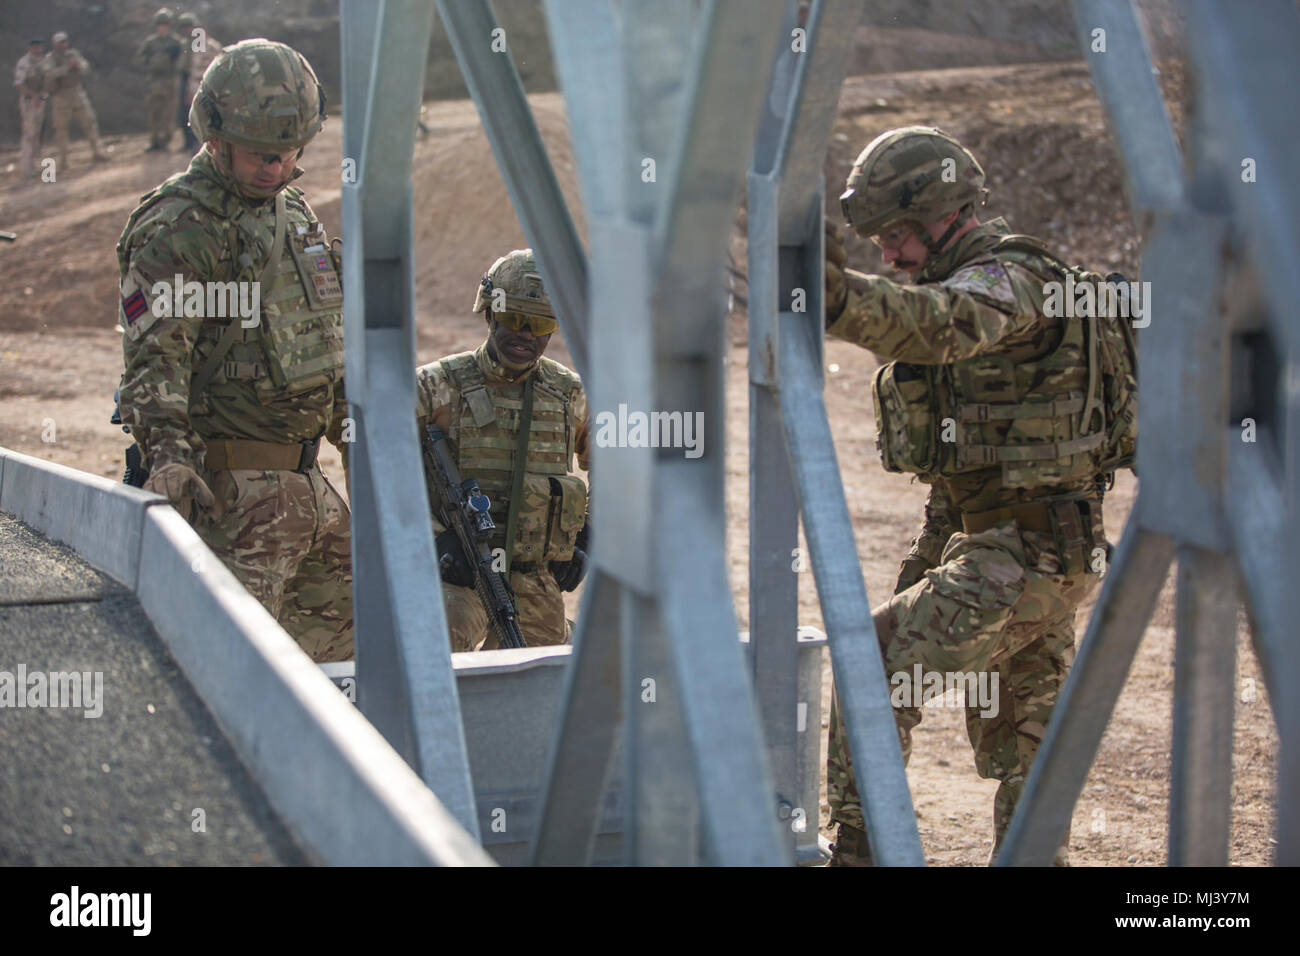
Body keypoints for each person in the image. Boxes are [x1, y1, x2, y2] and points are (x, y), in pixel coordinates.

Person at [822, 126, 1109, 866]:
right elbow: (965, 476)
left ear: (943, 210)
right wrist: (921, 571)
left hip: (1022, 557)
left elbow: (947, 325)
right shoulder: (966, 279)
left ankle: (858, 850)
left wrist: (839, 299)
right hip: (1030, 551)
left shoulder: (1015, 280)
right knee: (1029, 744)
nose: (886, 252)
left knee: (869, 666)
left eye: (895, 233)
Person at [116, 39, 352, 663]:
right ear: (214, 137)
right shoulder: (181, 225)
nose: (275, 168)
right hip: (234, 501)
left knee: (352, 684)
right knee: (234, 680)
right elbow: (155, 357)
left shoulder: (294, 212)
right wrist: (167, 456)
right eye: (259, 155)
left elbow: (327, 343)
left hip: (313, 494)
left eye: (288, 154)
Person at [415, 250, 591, 652]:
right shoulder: (434, 387)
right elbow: (379, 468)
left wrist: (588, 536)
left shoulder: (570, 394)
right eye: (513, 319)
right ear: (489, 314)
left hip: (531, 573)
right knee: (438, 647)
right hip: (451, 572)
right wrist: (435, 540)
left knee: (542, 675)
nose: (525, 334)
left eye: (541, 323)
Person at [40, 31, 107, 171]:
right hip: (61, 96)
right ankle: (63, 161)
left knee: (90, 122)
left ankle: (97, 152)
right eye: (60, 42)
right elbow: (49, 73)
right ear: (55, 44)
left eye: (64, 42)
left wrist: (78, 65)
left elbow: (85, 67)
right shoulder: (50, 58)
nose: (63, 45)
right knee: (61, 129)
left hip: (77, 92)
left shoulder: (73, 54)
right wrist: (67, 68)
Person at [136, 7, 184, 152]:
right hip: (155, 81)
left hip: (170, 80)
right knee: (154, 112)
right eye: (160, 25)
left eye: (165, 25)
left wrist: (173, 60)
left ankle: (165, 141)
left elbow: (183, 61)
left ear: (169, 26)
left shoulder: (176, 42)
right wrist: (151, 60)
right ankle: (154, 140)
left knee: (168, 113)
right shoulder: (150, 43)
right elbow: (139, 59)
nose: (162, 28)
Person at [177, 11, 220, 152]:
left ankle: (202, 144)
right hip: (194, 82)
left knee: (205, 115)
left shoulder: (212, 46)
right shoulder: (194, 45)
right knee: (190, 114)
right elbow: (192, 67)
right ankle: (192, 143)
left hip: (208, 84)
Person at [13, 38, 46, 179]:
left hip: (40, 101)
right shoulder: (24, 63)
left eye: (39, 46)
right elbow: (18, 84)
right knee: (29, 134)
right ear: (30, 47)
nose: (37, 49)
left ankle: (32, 165)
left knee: (36, 134)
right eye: (34, 46)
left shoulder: (43, 61)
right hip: (29, 102)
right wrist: (33, 96)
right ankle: (26, 168)